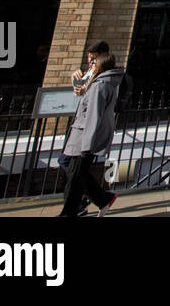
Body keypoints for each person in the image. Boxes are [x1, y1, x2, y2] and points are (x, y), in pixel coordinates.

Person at [59, 50, 125, 217]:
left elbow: (93, 116)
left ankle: (72, 211)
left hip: (84, 139)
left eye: (93, 62)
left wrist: (87, 145)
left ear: (101, 65)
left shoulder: (101, 84)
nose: (90, 65)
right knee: (76, 175)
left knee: (75, 177)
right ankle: (102, 199)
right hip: (83, 137)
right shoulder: (101, 83)